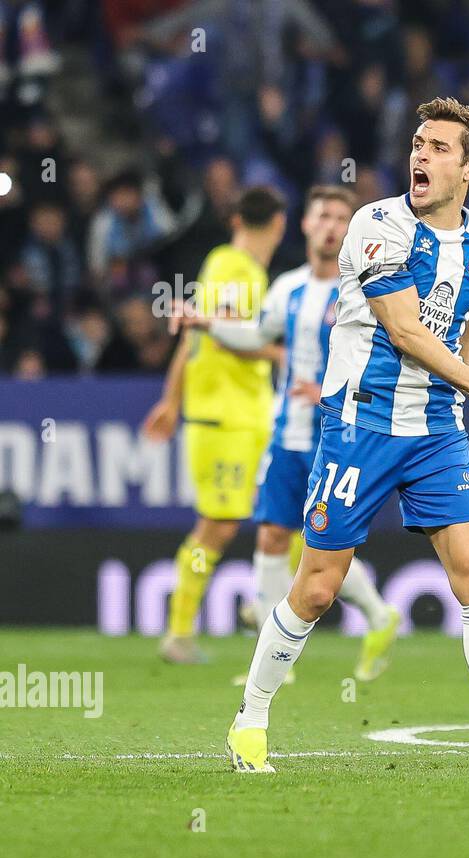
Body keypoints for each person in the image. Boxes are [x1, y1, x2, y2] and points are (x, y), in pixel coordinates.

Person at [225, 97, 469, 776]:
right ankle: (251, 718)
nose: (420, 156)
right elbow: (403, 329)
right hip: (361, 423)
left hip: (437, 432)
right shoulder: (376, 224)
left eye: (438, 148)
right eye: (417, 143)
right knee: (318, 587)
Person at [180, 186, 399, 681]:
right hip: (286, 436)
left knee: (325, 543)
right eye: (322, 215)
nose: (330, 226)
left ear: (351, 230)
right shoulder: (287, 288)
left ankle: (380, 615)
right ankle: (275, 661)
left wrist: (329, 388)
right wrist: (208, 323)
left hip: (336, 436)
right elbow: (256, 335)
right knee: (273, 536)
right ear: (304, 224)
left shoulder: (364, 292)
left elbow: (384, 361)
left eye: (341, 218)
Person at [143, 186, 287, 664]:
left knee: (288, 510)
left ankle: (266, 604)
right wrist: (284, 352)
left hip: (243, 413)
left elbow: (195, 331)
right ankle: (180, 630)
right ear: (280, 225)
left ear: (235, 220)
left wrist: (169, 397)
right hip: (225, 415)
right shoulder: (237, 268)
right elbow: (222, 334)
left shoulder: (222, 263)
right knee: (219, 527)